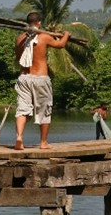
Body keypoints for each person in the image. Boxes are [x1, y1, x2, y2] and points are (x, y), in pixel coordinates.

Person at [13, 12, 69, 150]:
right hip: (40, 78)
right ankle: (43, 143)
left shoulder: (20, 39)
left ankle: (19, 137)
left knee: (22, 109)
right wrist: (66, 35)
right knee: (44, 109)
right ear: (39, 22)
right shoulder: (44, 37)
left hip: (24, 77)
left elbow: (20, 56)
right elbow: (61, 44)